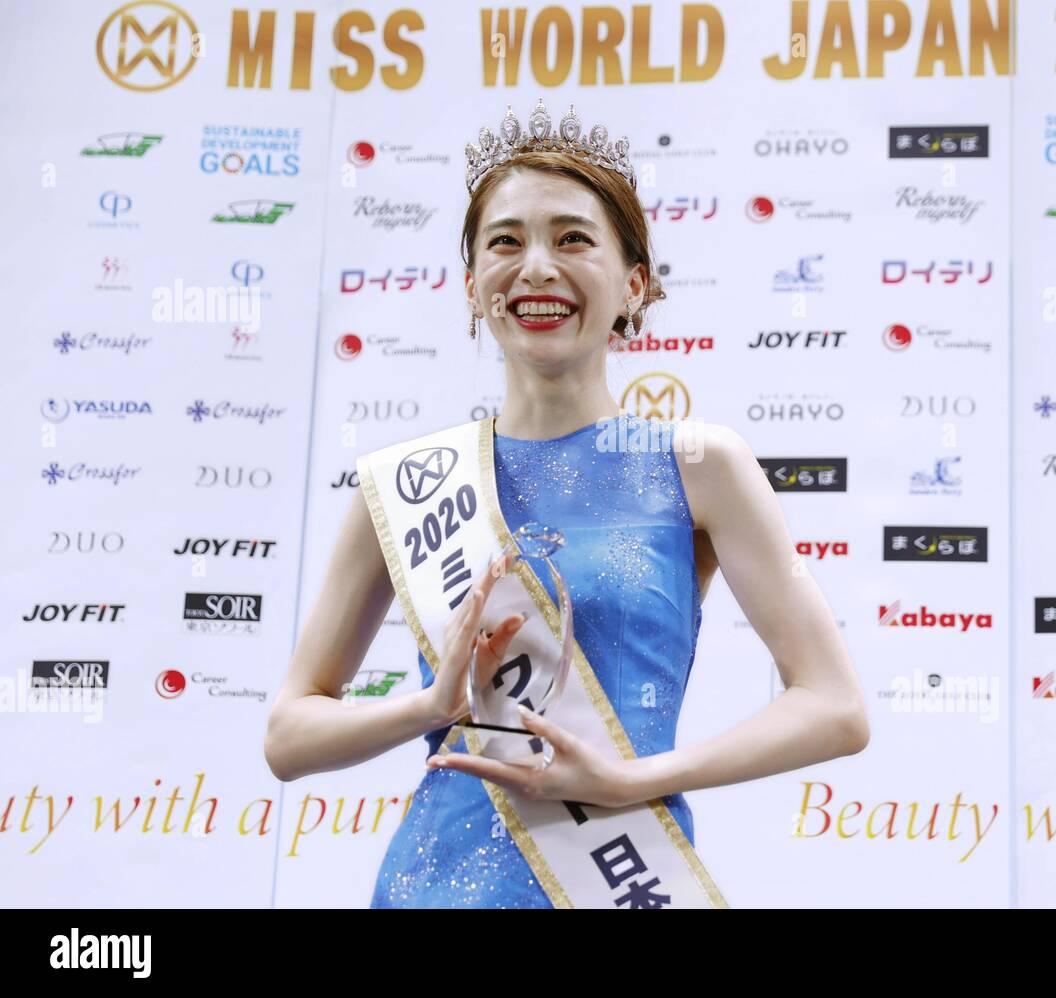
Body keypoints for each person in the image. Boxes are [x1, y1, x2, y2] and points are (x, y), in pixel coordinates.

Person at [264, 99, 871, 908]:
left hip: (623, 879)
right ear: (474, 285)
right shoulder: (406, 483)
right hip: (434, 887)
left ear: (633, 284)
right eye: (506, 242)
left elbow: (834, 708)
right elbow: (288, 737)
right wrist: (429, 705)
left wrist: (631, 779)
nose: (538, 267)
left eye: (573, 238)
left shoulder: (699, 467)